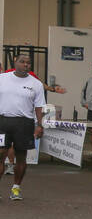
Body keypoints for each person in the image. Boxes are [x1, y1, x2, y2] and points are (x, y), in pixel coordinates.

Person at [0, 55, 46, 201]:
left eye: (28, 63)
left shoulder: (36, 84)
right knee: (1, 154)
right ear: (15, 63)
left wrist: (39, 125)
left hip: (24, 123)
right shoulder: (2, 78)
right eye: (22, 62)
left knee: (21, 157)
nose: (26, 65)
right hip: (3, 121)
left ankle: (16, 188)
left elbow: (39, 107)